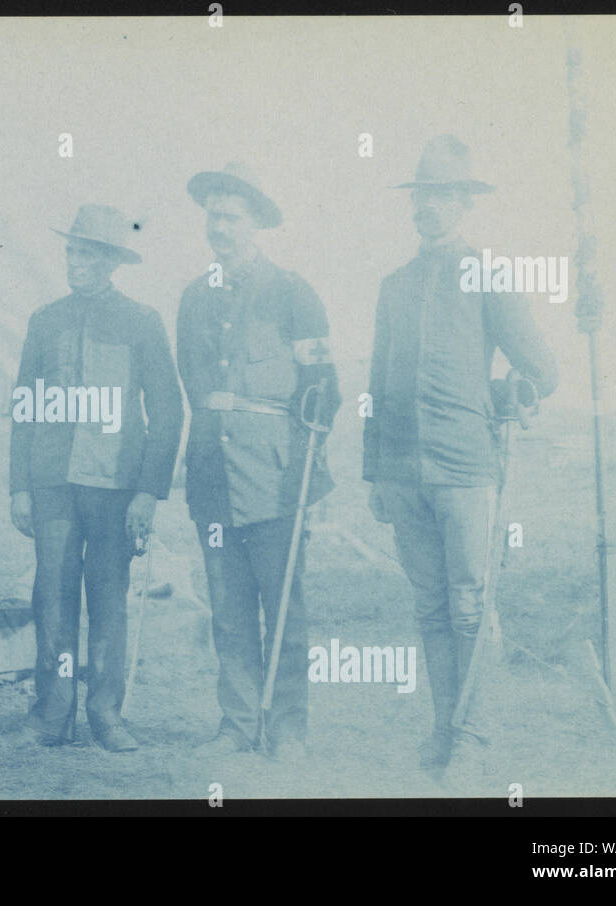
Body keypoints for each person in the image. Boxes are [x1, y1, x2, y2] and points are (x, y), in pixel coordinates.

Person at [364, 135, 558, 775]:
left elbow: (542, 369)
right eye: (422, 195)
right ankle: (444, 730)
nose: (430, 207)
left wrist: (503, 394)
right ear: (412, 203)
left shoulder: (488, 274)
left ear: (464, 204)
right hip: (401, 472)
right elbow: (376, 382)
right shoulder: (394, 285)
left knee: (470, 604)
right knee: (429, 606)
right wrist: (374, 472)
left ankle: (472, 737)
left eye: (444, 196)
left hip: (466, 468)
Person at [176, 162, 339, 761]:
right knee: (228, 606)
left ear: (254, 224)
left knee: (283, 605)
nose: (220, 227)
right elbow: (192, 386)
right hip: (214, 478)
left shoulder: (292, 292)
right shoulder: (193, 297)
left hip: (275, 479)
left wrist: (304, 471)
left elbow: (324, 390)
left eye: (231, 217)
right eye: (213, 216)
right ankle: (237, 724)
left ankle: (289, 726)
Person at [8, 204, 183, 752]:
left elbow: (168, 410)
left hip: (114, 488)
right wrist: (18, 485)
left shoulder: (141, 321)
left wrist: (148, 492)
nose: (74, 262)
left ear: (110, 261)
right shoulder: (45, 320)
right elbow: (25, 407)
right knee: (52, 597)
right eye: (70, 251)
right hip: (53, 484)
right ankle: (51, 714)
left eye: (86, 253)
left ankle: (105, 715)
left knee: (107, 596)